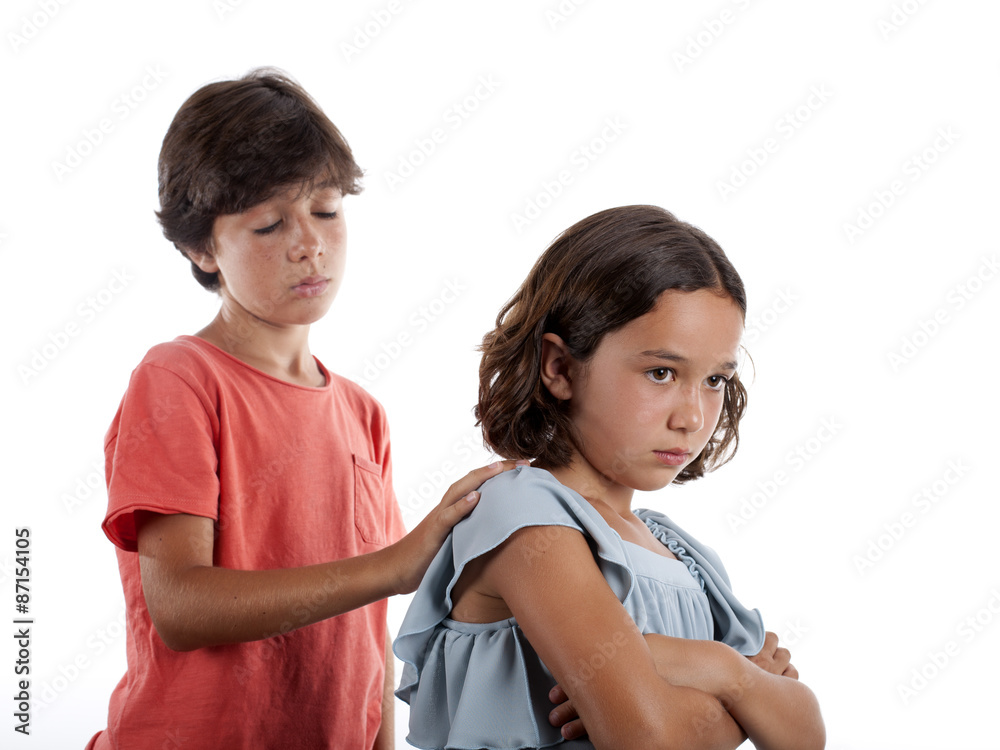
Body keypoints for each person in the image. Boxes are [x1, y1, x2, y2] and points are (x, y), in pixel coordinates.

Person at [87, 68, 518, 750]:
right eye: (267, 223)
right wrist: (394, 566)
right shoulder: (179, 379)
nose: (309, 244)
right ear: (201, 248)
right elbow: (179, 607)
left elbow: (367, 625)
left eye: (325, 210)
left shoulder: (363, 413)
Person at [394, 205, 826, 749]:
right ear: (560, 367)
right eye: (661, 373)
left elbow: (804, 735)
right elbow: (647, 740)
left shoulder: (679, 552)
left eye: (715, 379)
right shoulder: (521, 516)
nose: (692, 416)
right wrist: (744, 687)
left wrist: (722, 672)